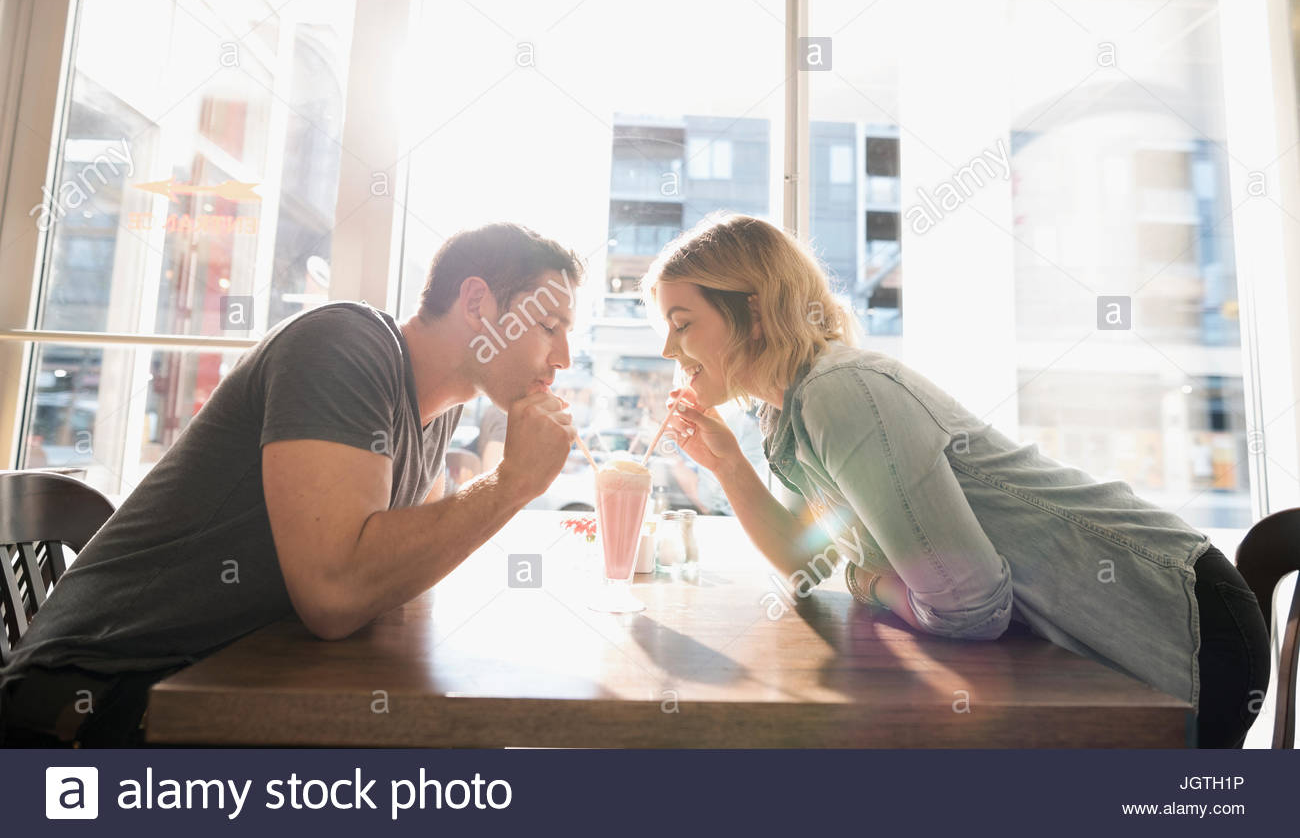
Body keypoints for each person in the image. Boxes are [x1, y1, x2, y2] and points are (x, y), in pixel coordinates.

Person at [643, 213, 1271, 749]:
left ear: (751, 311)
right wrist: (727, 464)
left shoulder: (839, 392)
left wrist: (867, 581)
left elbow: (968, 609)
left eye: (682, 321)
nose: (669, 350)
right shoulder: (788, 412)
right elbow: (805, 560)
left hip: (1175, 619)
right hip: (1101, 632)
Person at [0, 222, 583, 746]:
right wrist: (511, 483)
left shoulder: (438, 410)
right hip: (88, 701)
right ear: (477, 302)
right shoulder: (343, 345)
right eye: (548, 325)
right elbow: (336, 595)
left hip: (218, 683)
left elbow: (392, 573)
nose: (562, 357)